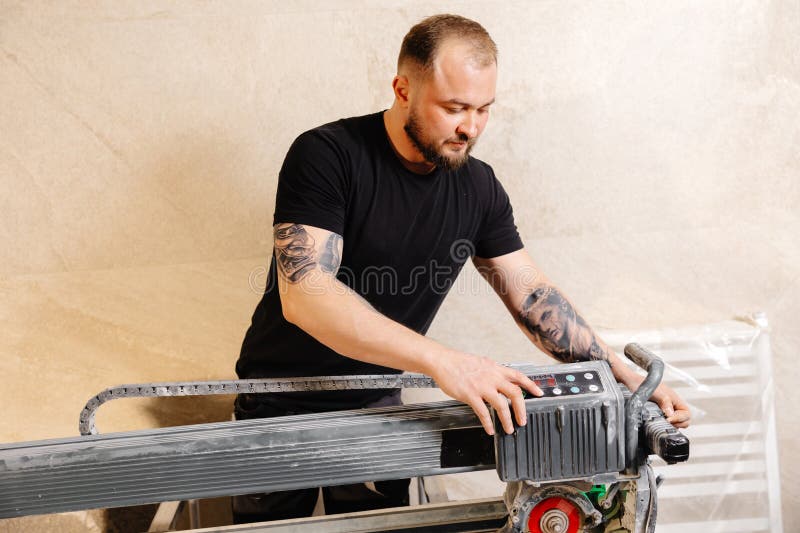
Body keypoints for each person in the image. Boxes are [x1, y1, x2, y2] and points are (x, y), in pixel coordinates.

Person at [233, 13, 691, 524]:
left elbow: (533, 296)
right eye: (453, 108)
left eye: (483, 109)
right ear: (403, 89)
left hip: (377, 399)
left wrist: (619, 371)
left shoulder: (479, 188)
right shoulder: (327, 155)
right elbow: (307, 294)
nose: (470, 127)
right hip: (278, 395)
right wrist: (444, 363)